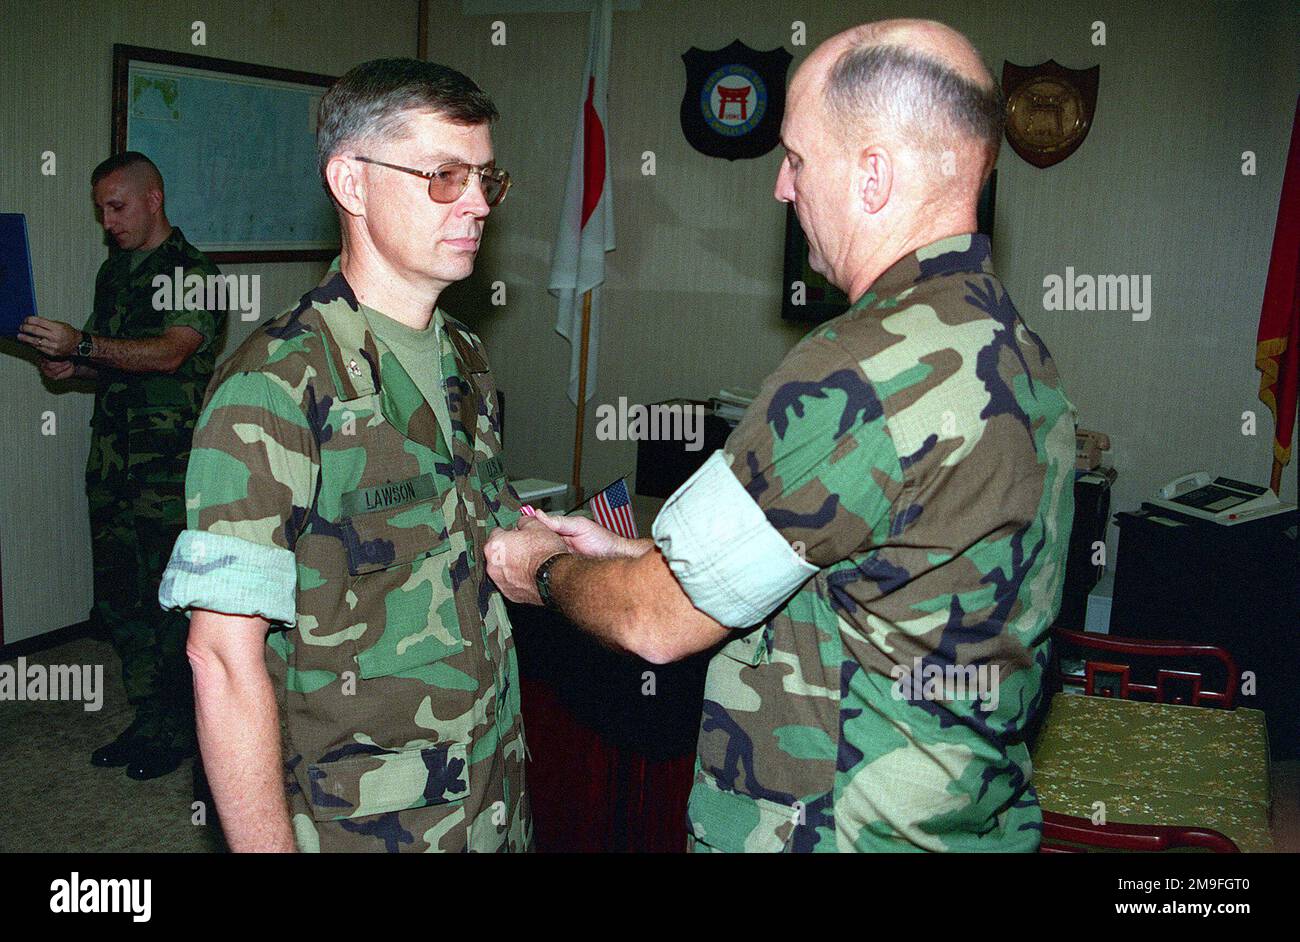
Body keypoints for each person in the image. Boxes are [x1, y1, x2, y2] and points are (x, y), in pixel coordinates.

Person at [485, 19, 1078, 852]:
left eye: (797, 158)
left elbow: (658, 623)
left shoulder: (857, 370)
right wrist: (625, 557)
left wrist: (539, 570)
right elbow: (850, 574)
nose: (782, 189)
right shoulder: (1012, 348)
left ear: (872, 176)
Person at [159, 58, 530, 852]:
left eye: (484, 178)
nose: (474, 203)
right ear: (352, 184)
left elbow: (479, 536)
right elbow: (221, 659)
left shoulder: (463, 353)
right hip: (362, 818)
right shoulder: (274, 384)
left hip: (491, 789)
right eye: (443, 175)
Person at [18, 151, 224, 780]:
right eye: (100, 209)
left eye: (117, 206)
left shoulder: (195, 273)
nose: (107, 221)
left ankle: (185, 727)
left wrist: (81, 344)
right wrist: (73, 365)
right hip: (114, 461)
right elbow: (115, 358)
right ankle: (149, 716)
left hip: (169, 468)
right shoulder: (117, 273)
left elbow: (168, 354)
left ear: (153, 199)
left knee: (172, 602)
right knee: (124, 599)